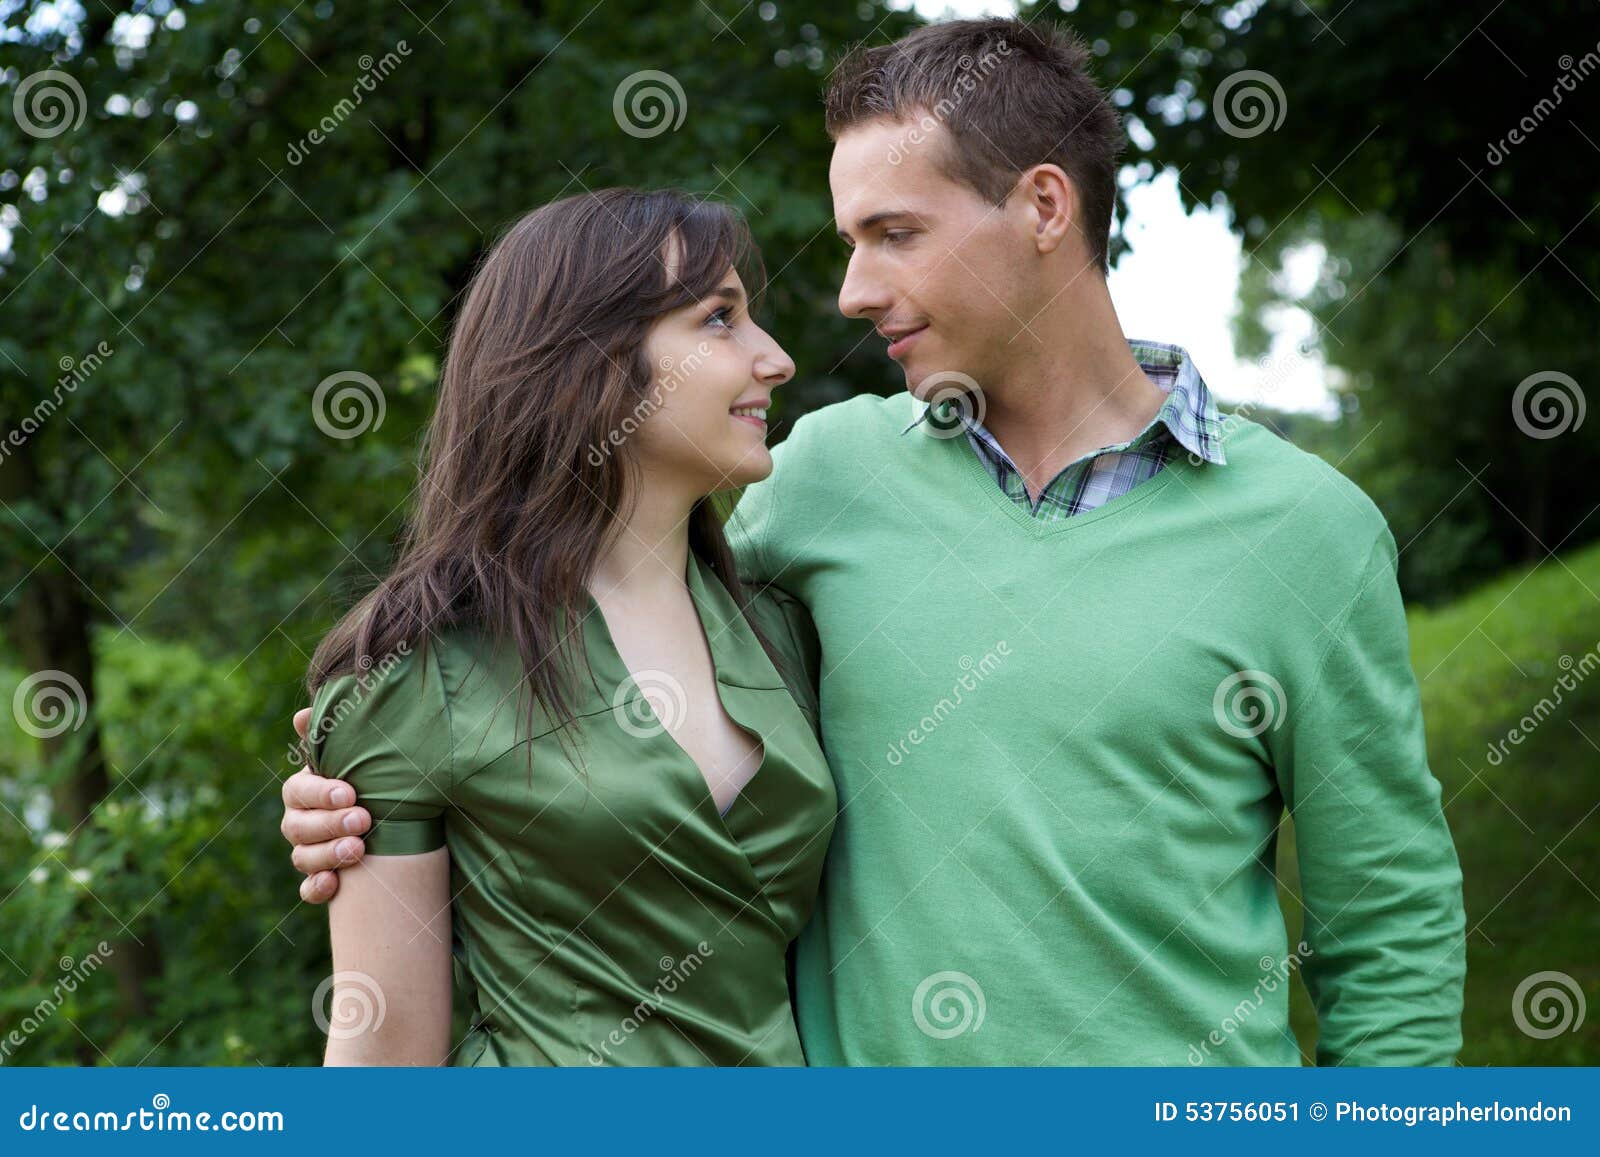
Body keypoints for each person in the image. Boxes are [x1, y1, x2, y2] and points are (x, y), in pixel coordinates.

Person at [284, 17, 1465, 1066]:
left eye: (894, 233)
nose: (849, 290)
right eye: (851, 238)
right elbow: (573, 659)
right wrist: (361, 782)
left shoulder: (1306, 533)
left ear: (1045, 208)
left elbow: (1389, 929)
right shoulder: (819, 482)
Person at [302, 187, 836, 1065]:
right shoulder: (417, 670)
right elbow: (384, 1053)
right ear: (590, 358)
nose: (774, 358)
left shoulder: (784, 630)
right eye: (719, 320)